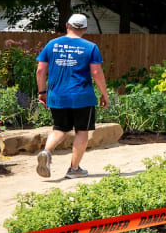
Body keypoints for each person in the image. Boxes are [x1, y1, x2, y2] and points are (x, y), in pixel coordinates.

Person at [34, 14, 109, 179]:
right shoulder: (90, 47)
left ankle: (46, 152)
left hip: (57, 96)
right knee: (82, 131)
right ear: (85, 28)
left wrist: (42, 92)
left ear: (67, 25)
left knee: (59, 128)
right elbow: (96, 72)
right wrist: (104, 94)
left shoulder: (52, 44)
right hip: (82, 97)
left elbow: (40, 70)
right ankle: (74, 169)